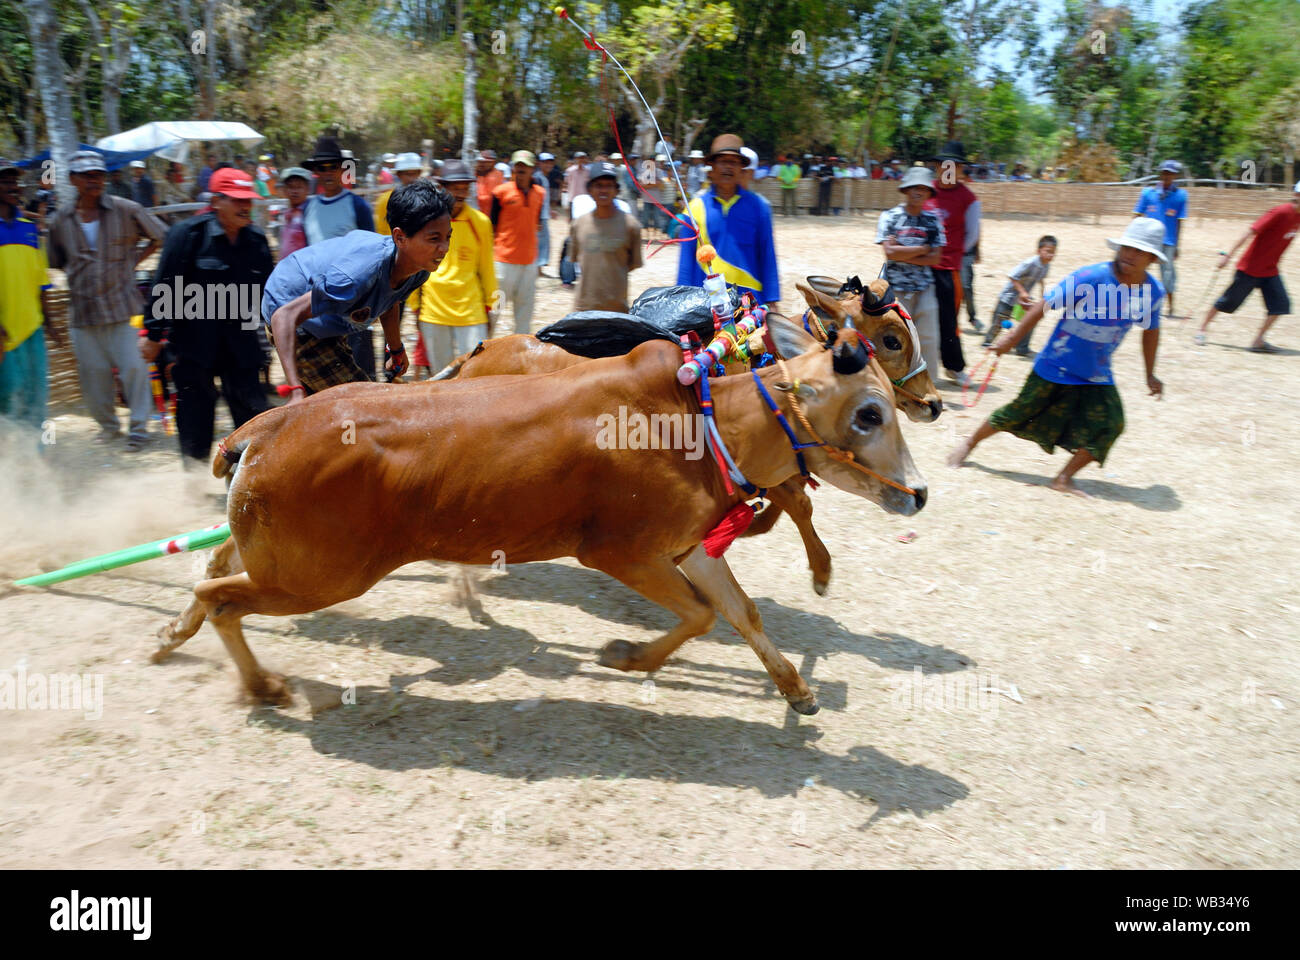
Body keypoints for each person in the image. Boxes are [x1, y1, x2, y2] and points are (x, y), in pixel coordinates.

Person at [948, 218, 1166, 497]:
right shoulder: (1090, 276)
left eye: (1138, 251)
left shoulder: (1152, 293)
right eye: (1126, 248)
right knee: (1018, 412)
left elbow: (1151, 331)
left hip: (1096, 372)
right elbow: (1044, 306)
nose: (1128, 255)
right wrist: (1011, 339)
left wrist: (1150, 373)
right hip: (1056, 364)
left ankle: (1063, 478)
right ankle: (970, 443)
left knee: (1112, 423)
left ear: (1152, 258)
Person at [261, 180, 452, 399]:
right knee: (364, 404)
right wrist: (295, 391)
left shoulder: (418, 268)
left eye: (448, 237)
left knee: (340, 409)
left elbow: (390, 300)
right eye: (434, 239)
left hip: (329, 315)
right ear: (400, 238)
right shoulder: (356, 276)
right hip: (291, 312)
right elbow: (284, 316)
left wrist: (396, 349)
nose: (444, 248)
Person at [143, 167, 272, 466]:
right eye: (237, 200)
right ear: (216, 201)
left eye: (248, 200)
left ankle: (249, 477)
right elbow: (163, 286)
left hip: (240, 344)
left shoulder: (256, 240)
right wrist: (152, 335)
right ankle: (194, 484)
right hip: (193, 344)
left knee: (251, 413)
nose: (245, 206)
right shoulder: (186, 235)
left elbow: (268, 290)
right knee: (194, 412)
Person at [47, 150, 166, 450]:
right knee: (93, 378)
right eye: (87, 175)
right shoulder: (60, 221)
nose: (94, 180)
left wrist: (133, 261)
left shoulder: (125, 209)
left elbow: (161, 236)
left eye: (99, 175)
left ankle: (139, 427)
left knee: (134, 369)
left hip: (122, 307)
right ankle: (109, 428)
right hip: (84, 313)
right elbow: (56, 260)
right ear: (73, 179)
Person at [407, 160, 497, 373]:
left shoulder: (480, 223)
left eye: (464, 187)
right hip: (433, 312)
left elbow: (488, 270)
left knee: (475, 372)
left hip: (471, 312)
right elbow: (415, 264)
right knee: (441, 375)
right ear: (442, 188)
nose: (460, 193)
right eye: (454, 187)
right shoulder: (424, 221)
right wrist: (414, 307)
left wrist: (492, 308)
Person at [300, 136, 377, 375]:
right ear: (315, 172)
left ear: (343, 169)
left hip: (354, 298)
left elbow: (372, 252)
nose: (327, 173)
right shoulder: (308, 209)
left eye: (332, 166)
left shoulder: (357, 206)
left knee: (361, 371)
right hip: (320, 300)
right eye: (321, 168)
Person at [676, 134, 780, 308]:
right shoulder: (693, 209)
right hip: (704, 305)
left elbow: (768, 256)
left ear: (741, 169)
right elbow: (685, 264)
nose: (728, 167)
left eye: (734, 162)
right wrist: (681, 303)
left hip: (750, 303)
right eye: (722, 161)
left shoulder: (759, 207)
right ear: (712, 167)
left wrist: (772, 301)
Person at [1196, 182, 1300, 353]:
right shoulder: (1280, 212)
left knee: (1281, 305)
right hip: (1249, 268)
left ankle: (1258, 341)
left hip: (1270, 270)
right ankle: (1201, 330)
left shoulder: (1298, 217)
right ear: (1296, 195)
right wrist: (1228, 255)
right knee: (1227, 302)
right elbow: (1250, 231)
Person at [0, 158, 62, 430]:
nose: (15, 187)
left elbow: (40, 281)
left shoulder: (29, 228)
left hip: (32, 329)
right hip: (4, 334)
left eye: (15, 181)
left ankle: (35, 461)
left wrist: (50, 325)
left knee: (37, 398)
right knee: (9, 398)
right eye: (6, 181)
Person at [876, 166, 945, 381]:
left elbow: (936, 258)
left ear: (928, 194)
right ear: (906, 190)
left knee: (928, 338)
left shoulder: (933, 221)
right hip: (896, 288)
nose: (918, 191)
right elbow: (889, 252)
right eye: (914, 187)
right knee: (896, 338)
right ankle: (891, 383)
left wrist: (902, 251)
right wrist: (923, 249)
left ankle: (929, 385)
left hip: (925, 287)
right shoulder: (890, 217)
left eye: (924, 188)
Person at [925, 140, 978, 385]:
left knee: (948, 319)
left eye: (954, 166)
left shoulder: (968, 198)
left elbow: (972, 234)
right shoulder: (925, 191)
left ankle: (954, 367)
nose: (948, 169)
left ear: (960, 169)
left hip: (947, 268)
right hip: (919, 266)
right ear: (937, 167)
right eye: (943, 165)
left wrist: (954, 253)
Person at [570, 161, 643, 313]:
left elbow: (633, 264)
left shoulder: (631, 226)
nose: (603, 190)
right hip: (583, 308)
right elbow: (577, 259)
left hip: (617, 310)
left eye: (609, 185)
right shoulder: (578, 224)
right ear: (589, 189)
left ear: (616, 190)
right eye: (598, 185)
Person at [489, 150, 545, 334]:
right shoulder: (500, 192)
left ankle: (520, 358)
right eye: (518, 165)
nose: (521, 169)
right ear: (513, 167)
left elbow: (535, 223)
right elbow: (492, 225)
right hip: (503, 264)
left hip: (529, 263)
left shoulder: (540, 193)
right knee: (494, 312)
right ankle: (481, 351)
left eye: (525, 166)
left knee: (524, 315)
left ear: (532, 169)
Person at [983, 235, 1058, 355]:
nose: (1051, 255)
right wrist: (1022, 292)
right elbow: (1012, 276)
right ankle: (988, 343)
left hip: (1023, 300)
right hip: (1009, 297)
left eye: (1053, 252)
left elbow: (1041, 280)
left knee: (1029, 321)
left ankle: (1022, 348)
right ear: (1039, 251)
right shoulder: (1030, 263)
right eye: (1048, 251)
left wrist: (1043, 296)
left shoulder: (1046, 265)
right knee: (1000, 321)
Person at [1133, 159, 1187, 317]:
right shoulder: (1148, 193)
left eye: (1170, 173)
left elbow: (1179, 222)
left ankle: (1170, 308)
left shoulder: (1181, 196)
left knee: (1168, 274)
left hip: (1168, 242)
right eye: (1164, 172)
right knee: (1139, 270)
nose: (1167, 176)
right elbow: (1137, 215)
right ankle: (1133, 303)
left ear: (1175, 176)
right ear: (1160, 173)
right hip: (1147, 241)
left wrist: (1177, 245)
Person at [374, 152, 424, 235]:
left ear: (419, 173)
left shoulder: (428, 199)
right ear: (399, 174)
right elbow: (381, 231)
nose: (412, 178)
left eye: (415, 173)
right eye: (408, 174)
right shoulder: (385, 200)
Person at [277, 166, 312, 259]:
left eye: (299, 187)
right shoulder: (286, 214)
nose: (294, 191)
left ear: (307, 189)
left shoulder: (310, 213)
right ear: (284, 190)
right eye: (290, 187)